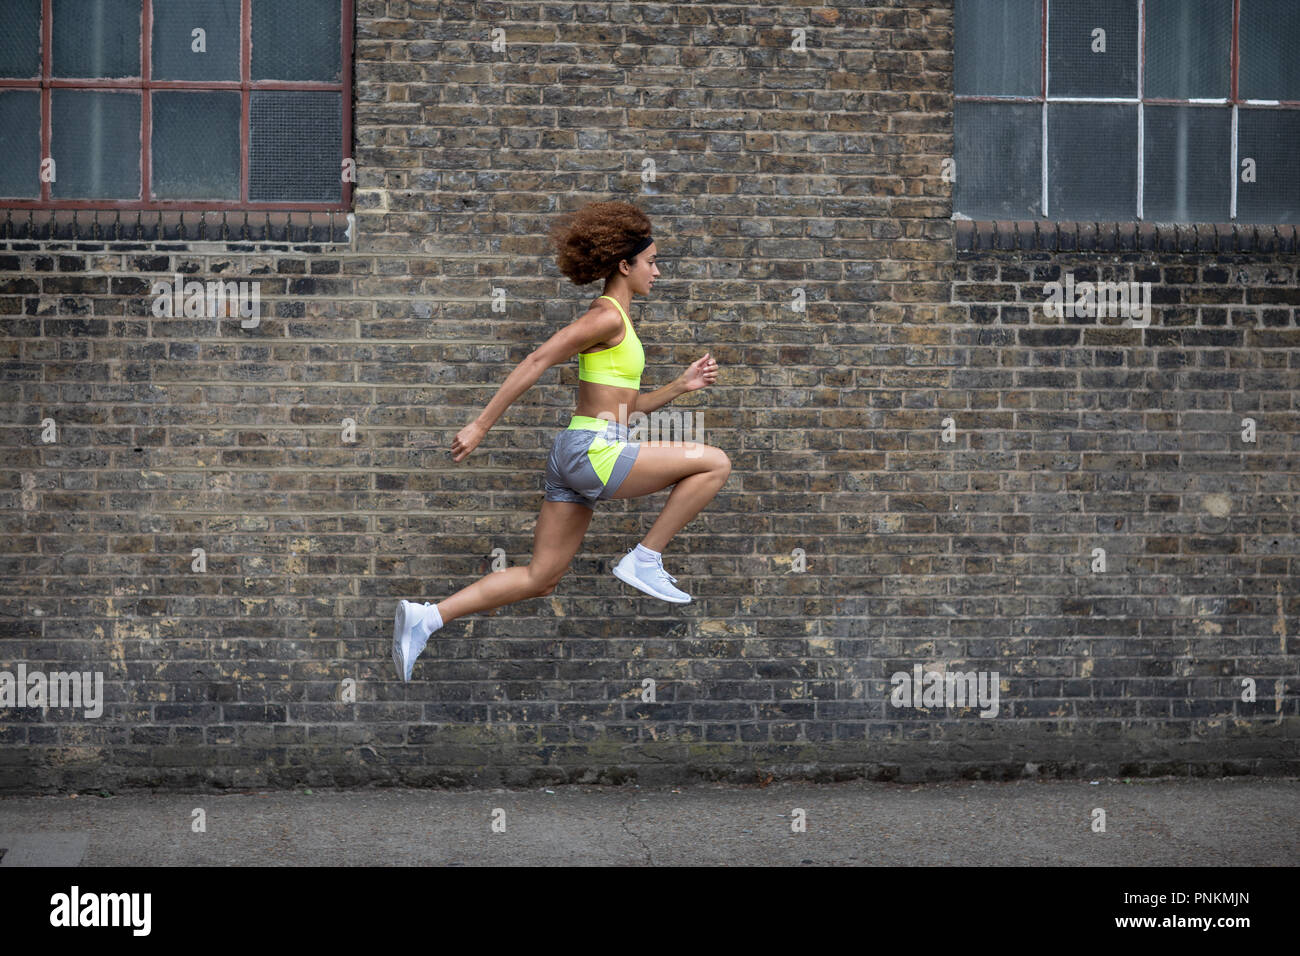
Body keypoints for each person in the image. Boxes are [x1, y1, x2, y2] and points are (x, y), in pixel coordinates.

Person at [391, 201, 731, 681]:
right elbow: (537, 360)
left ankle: (427, 617)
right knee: (713, 463)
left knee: (541, 578)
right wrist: (481, 425)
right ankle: (645, 559)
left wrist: (680, 386)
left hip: (578, 450)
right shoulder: (607, 318)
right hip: (592, 451)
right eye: (651, 262)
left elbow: (624, 410)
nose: (657, 271)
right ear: (625, 265)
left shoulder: (619, 321)